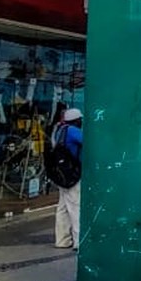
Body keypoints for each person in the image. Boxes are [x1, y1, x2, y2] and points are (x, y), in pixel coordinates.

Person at [50, 106, 83, 250]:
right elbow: (88, 142)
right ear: (77, 121)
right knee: (75, 206)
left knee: (63, 207)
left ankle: (62, 240)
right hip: (71, 175)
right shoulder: (73, 131)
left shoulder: (60, 131)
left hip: (61, 174)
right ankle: (78, 241)